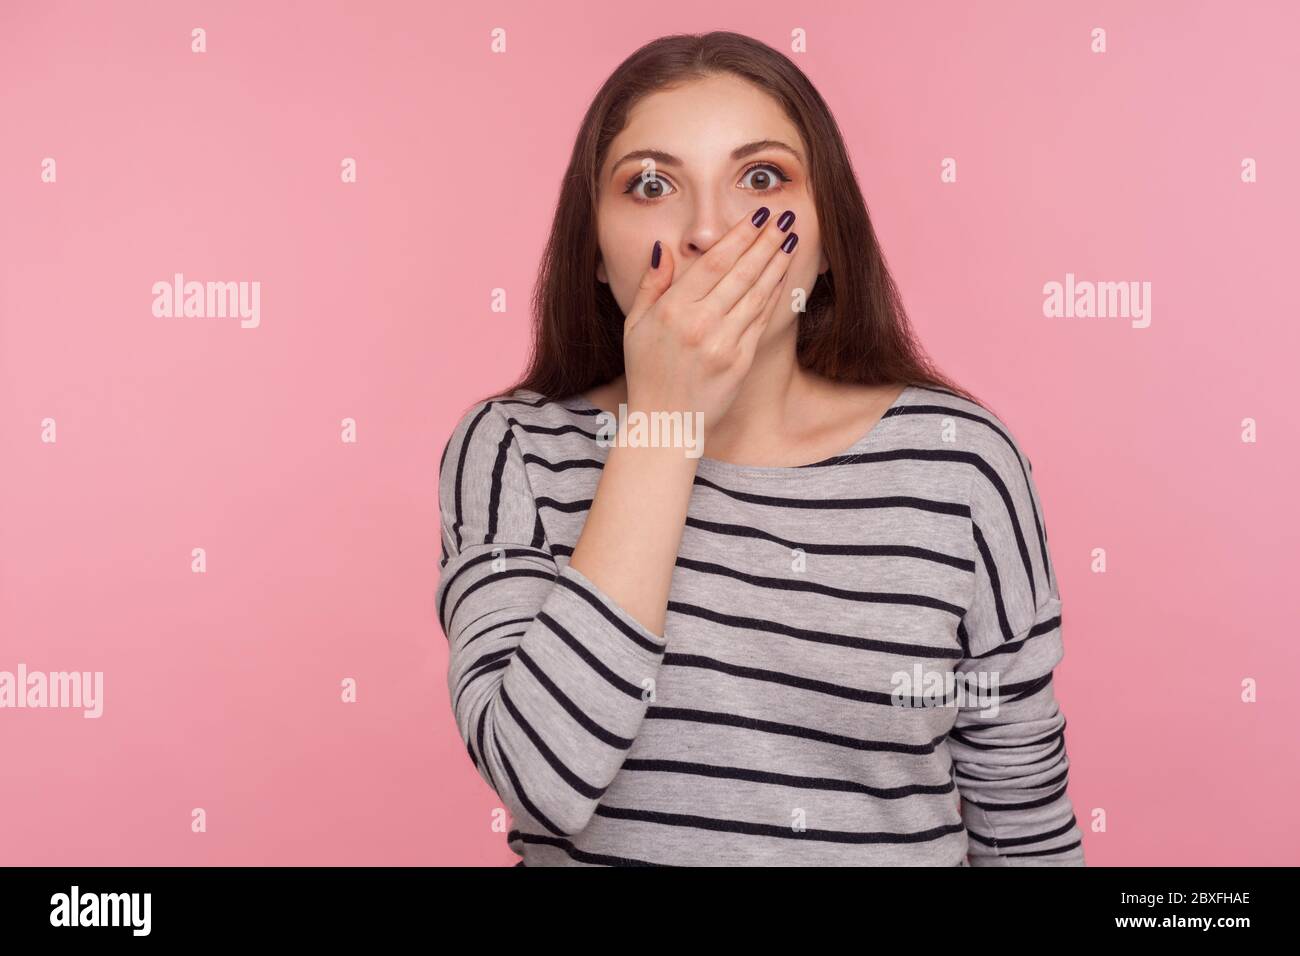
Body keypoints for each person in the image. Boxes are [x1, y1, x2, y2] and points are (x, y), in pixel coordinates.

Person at [436, 31, 1085, 866]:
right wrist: (665, 423)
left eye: (762, 178)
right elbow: (544, 781)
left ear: (824, 233)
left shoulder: (961, 463)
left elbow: (1022, 820)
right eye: (651, 184)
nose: (708, 230)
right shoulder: (513, 451)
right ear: (596, 251)